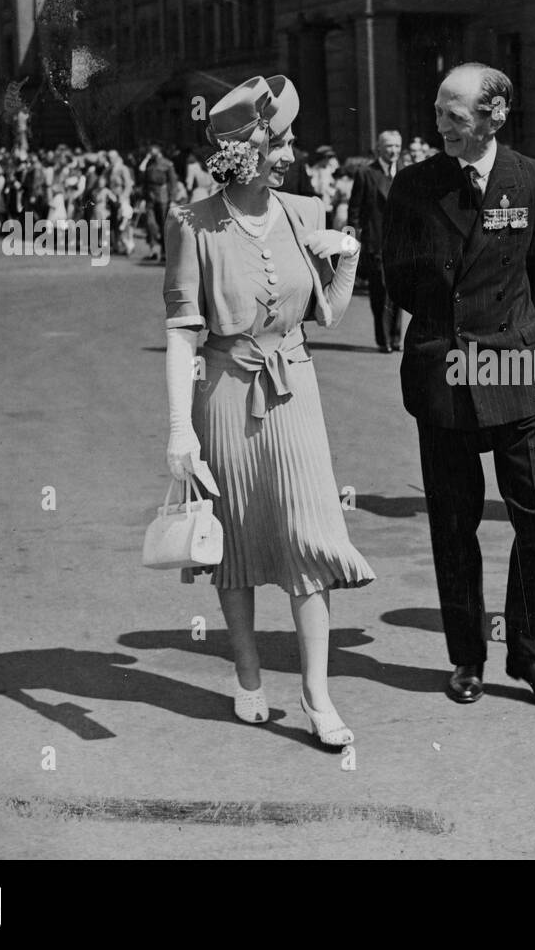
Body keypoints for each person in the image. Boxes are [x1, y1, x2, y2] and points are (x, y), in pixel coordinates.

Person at [162, 75, 374, 745]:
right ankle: (248, 670)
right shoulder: (192, 223)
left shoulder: (305, 212)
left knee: (311, 534)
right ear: (238, 151)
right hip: (224, 393)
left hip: (296, 387)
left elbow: (331, 313)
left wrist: (348, 259)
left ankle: (317, 691)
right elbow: (180, 334)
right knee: (239, 539)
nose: (288, 150)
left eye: (287, 137)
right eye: (275, 139)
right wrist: (178, 431)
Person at [382, 62, 535, 709]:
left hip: (513, 363)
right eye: (437, 113)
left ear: (495, 115)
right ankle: (467, 655)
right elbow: (399, 276)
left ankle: (529, 652)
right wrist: (446, 325)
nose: (441, 127)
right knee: (453, 524)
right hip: (444, 368)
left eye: (454, 117)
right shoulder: (413, 185)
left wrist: (501, 328)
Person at [348, 130, 404, 352]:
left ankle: (396, 337)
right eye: (389, 146)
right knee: (380, 292)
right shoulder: (366, 173)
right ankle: (384, 340)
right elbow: (354, 212)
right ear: (379, 148)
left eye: (397, 146)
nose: (394, 151)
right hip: (375, 242)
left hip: (400, 243)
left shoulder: (404, 172)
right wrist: (350, 243)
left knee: (398, 291)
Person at [140, 143, 179, 261]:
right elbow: (143, 179)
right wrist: (142, 197)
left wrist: (172, 199)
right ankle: (153, 250)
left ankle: (164, 251)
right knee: (150, 223)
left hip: (163, 197)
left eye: (152, 152)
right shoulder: (148, 164)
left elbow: (173, 183)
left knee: (164, 224)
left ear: (159, 151)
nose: (151, 154)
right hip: (150, 196)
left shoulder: (167, 164)